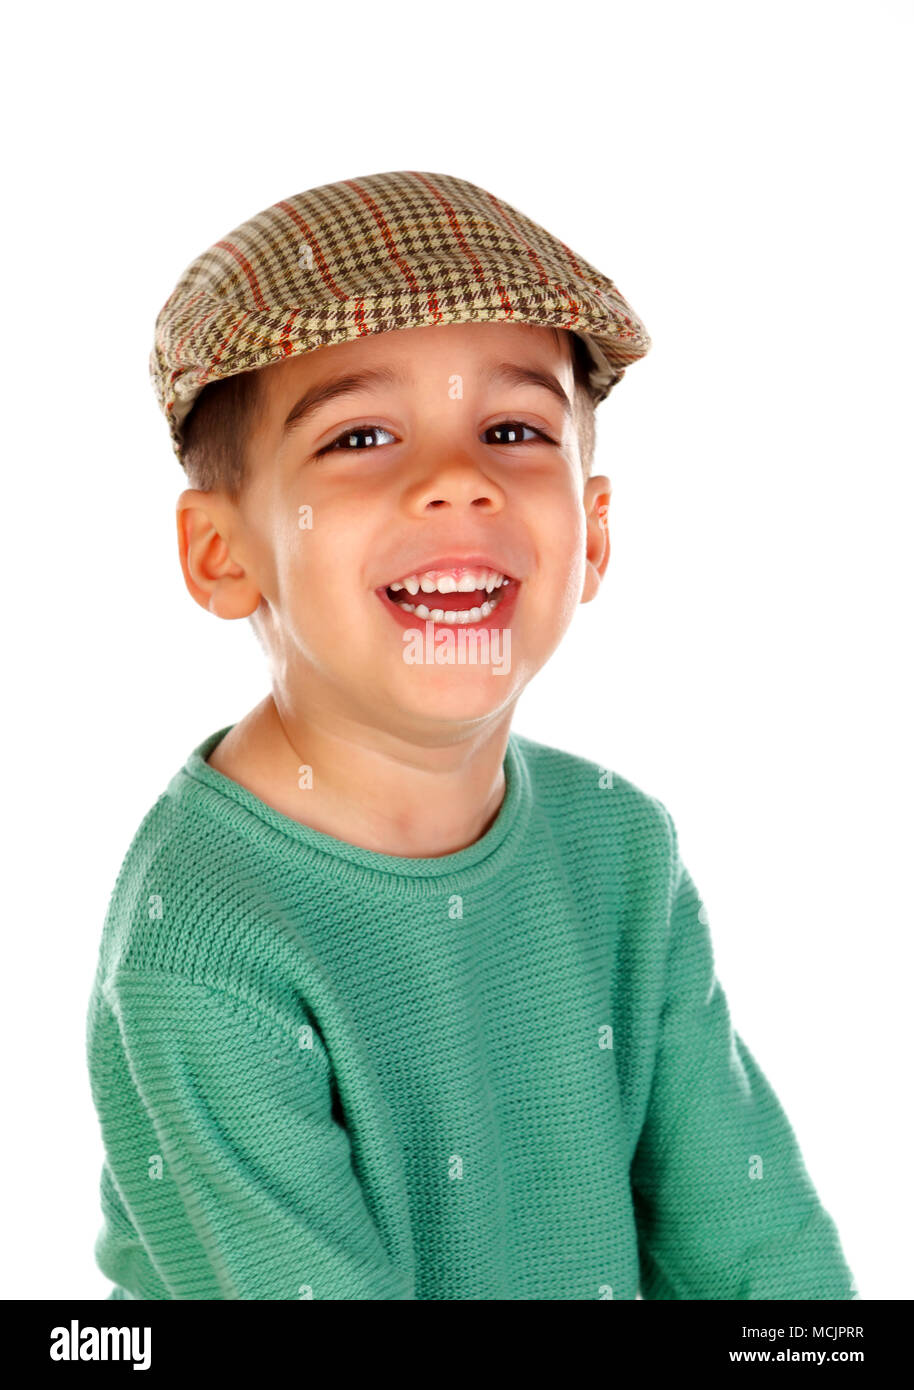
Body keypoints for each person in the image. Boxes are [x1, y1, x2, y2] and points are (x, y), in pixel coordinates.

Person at [86, 169, 856, 1299]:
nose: (456, 481)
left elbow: (753, 1250)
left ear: (591, 531)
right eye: (360, 436)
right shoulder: (205, 941)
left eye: (510, 429)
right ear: (222, 553)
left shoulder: (618, 848)